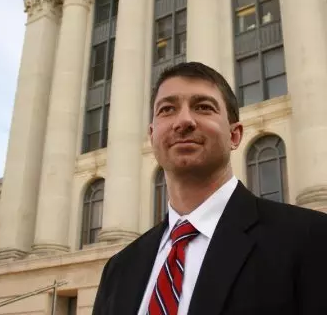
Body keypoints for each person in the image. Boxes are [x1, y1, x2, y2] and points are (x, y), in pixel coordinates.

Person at [92, 61, 327, 315]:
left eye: (203, 107)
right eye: (167, 109)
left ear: (234, 135)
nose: (183, 121)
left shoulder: (312, 240)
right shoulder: (119, 269)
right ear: (152, 136)